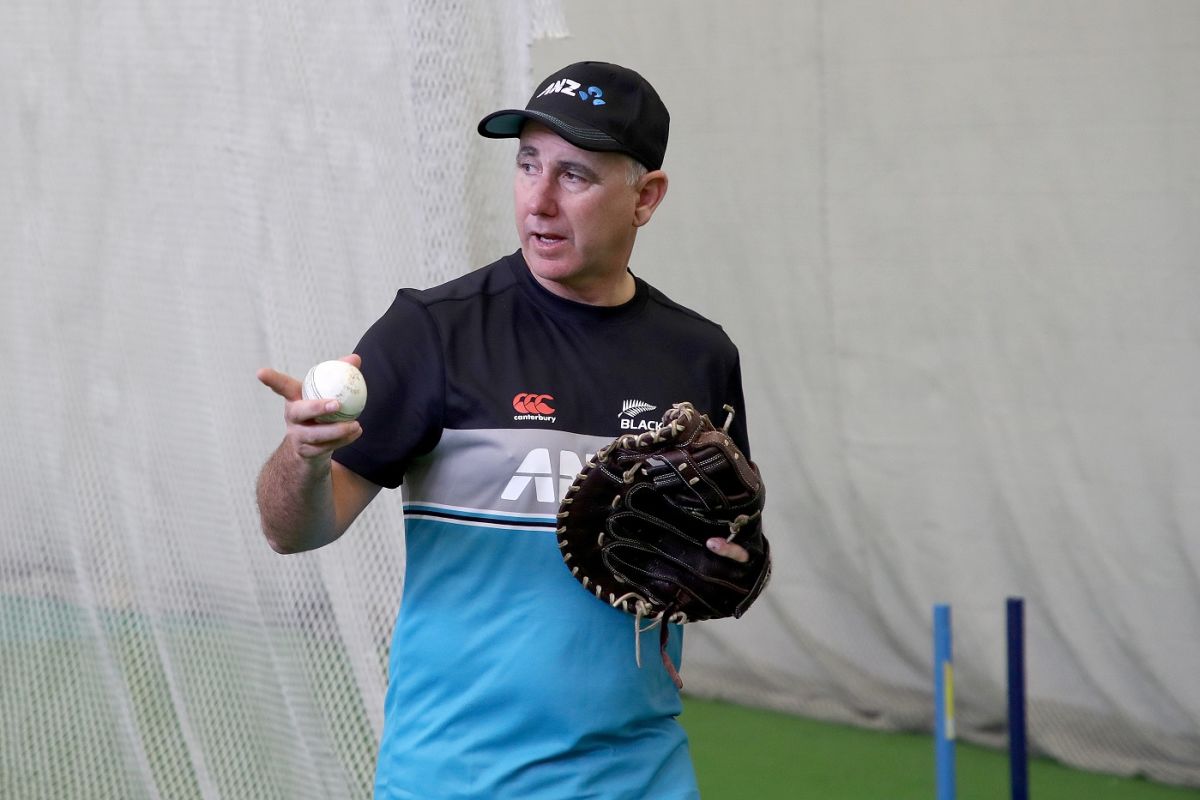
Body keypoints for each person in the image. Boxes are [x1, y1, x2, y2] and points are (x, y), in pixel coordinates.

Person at [256, 61, 761, 800]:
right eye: (528, 165)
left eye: (574, 175)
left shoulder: (698, 356)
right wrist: (300, 457)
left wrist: (732, 562)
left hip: (636, 775)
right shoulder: (431, 333)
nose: (539, 201)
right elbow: (291, 532)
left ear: (645, 197)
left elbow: (723, 539)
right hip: (452, 777)